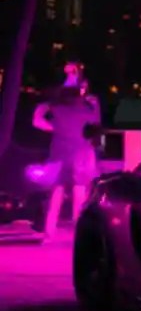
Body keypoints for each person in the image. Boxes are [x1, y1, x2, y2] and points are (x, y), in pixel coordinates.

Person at [32, 85, 100, 239]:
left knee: (56, 193)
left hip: (59, 156)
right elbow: (95, 129)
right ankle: (79, 233)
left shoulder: (57, 109)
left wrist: (48, 118)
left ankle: (49, 231)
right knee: (80, 194)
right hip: (81, 156)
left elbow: (37, 122)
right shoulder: (87, 111)